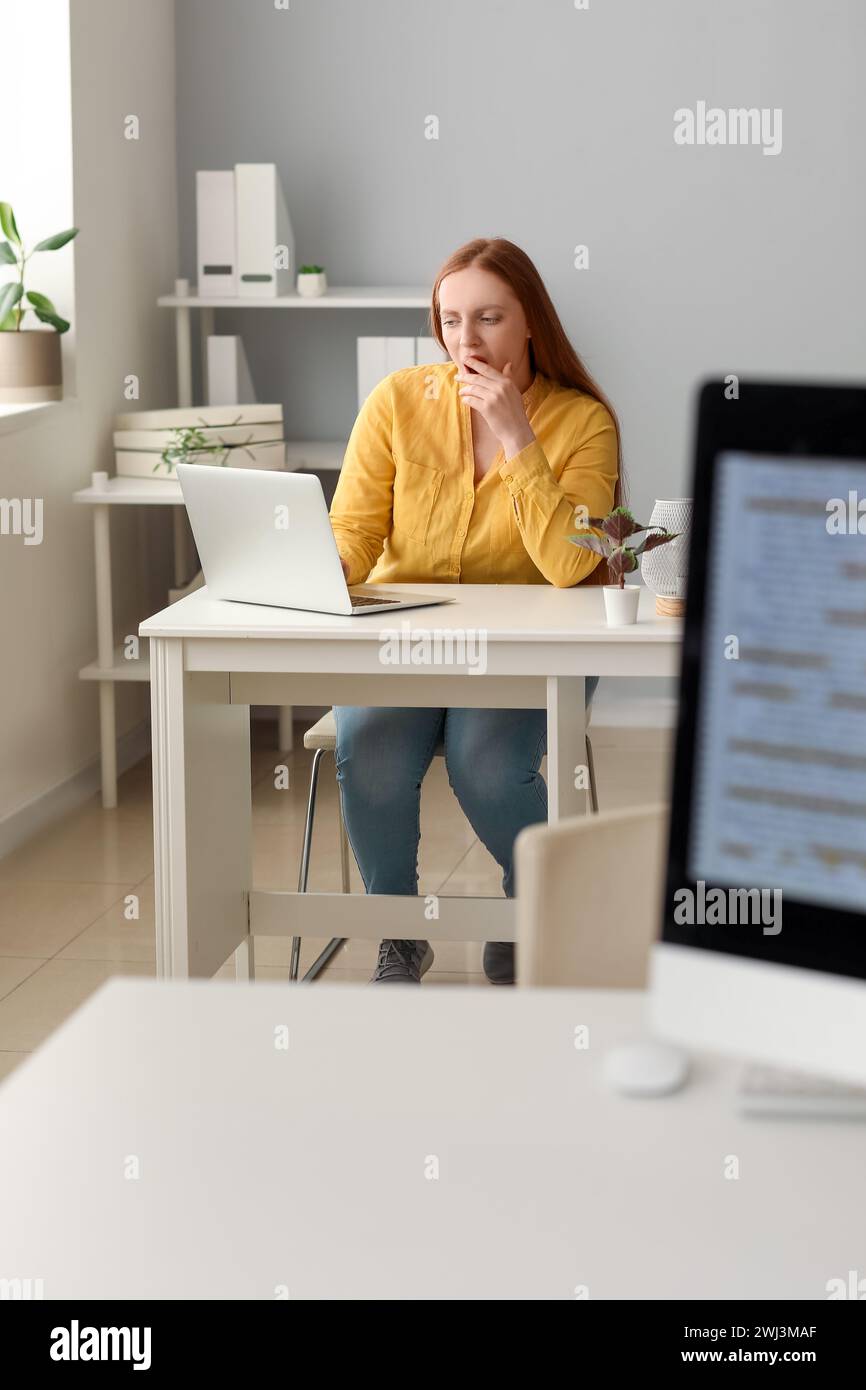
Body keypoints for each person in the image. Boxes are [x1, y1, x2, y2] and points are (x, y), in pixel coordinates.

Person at [328, 237, 623, 984]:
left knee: (486, 766)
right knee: (371, 756)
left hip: (534, 643)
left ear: (531, 324)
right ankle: (400, 932)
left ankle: (530, 908)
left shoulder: (583, 422)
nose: (468, 340)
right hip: (408, 638)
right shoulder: (397, 401)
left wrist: (516, 435)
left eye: (489, 318)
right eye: (451, 319)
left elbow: (569, 564)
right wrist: (319, 569)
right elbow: (355, 532)